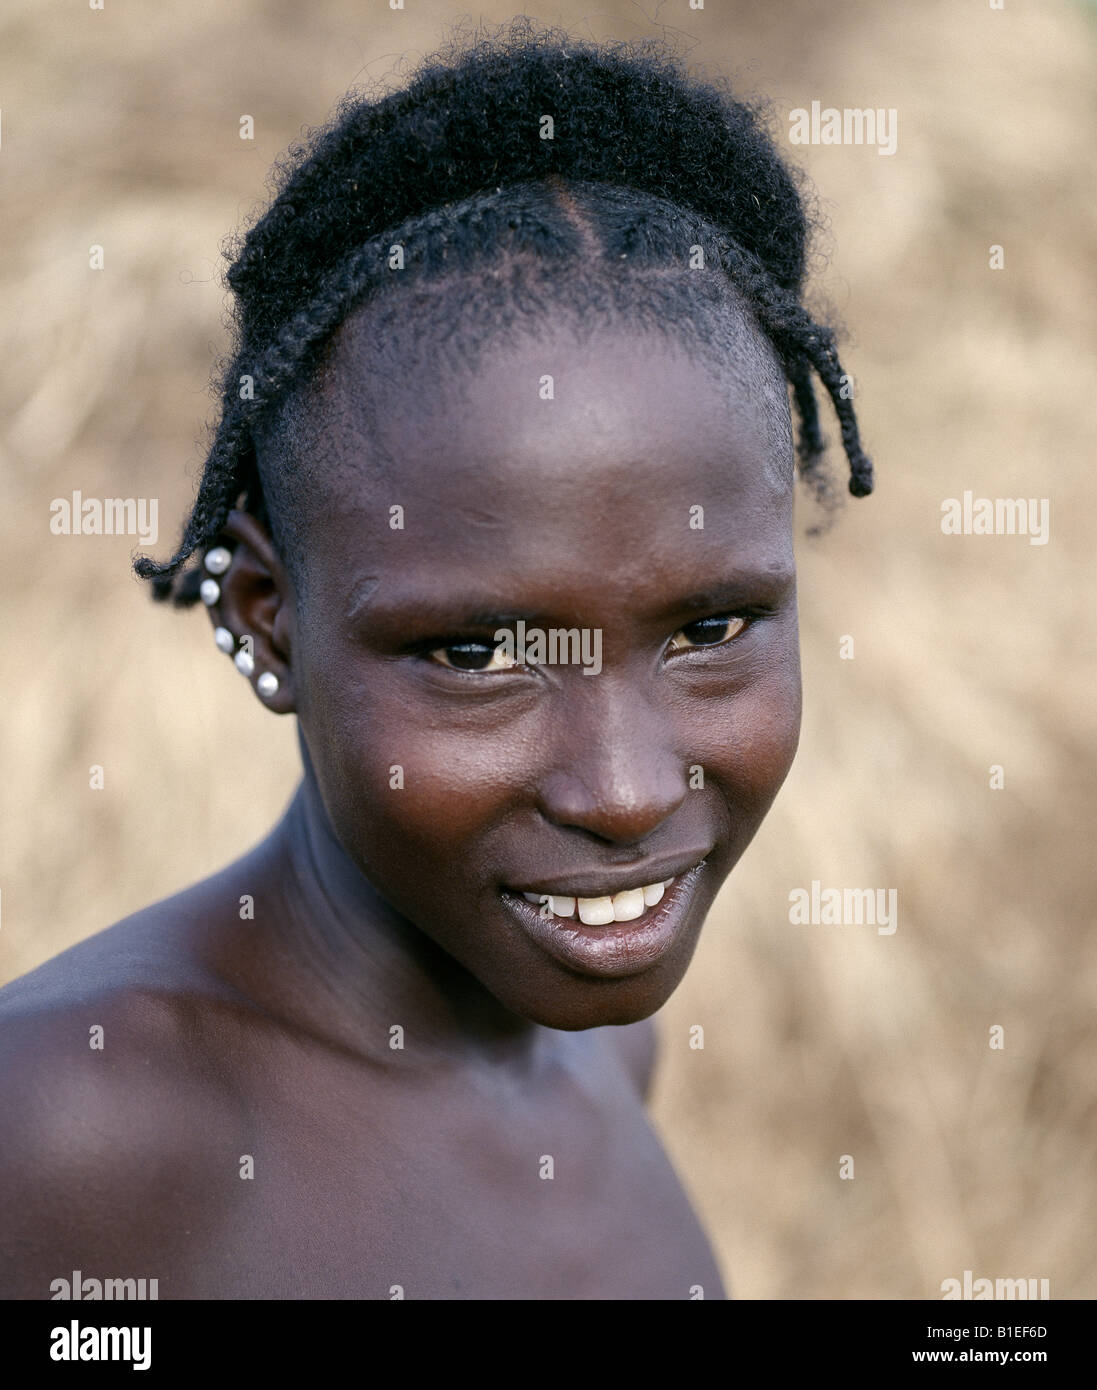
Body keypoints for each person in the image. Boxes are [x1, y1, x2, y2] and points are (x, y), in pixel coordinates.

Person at [0, 18, 872, 1299]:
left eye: (707, 629)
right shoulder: (75, 1126)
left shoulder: (596, 1052)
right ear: (261, 613)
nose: (626, 793)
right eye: (477, 653)